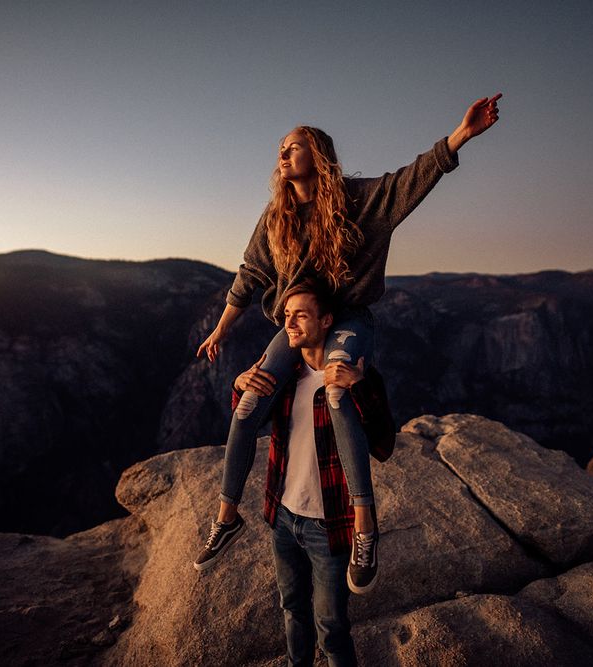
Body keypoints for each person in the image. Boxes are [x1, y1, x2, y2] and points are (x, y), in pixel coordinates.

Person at [196, 93, 502, 587]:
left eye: (294, 146)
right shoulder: (276, 217)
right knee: (249, 402)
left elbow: (410, 180)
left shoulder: (358, 200)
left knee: (337, 393)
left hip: (347, 320)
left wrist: (462, 134)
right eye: (281, 148)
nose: (283, 154)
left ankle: (364, 525)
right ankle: (227, 517)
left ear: (317, 155)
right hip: (298, 322)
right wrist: (221, 328)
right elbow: (251, 273)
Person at [200, 282, 395, 664]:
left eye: (300, 315)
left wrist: (358, 387)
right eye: (286, 315)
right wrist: (239, 385)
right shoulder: (284, 379)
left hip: (331, 527)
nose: (288, 323)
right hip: (284, 520)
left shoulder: (356, 375)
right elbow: (249, 420)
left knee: (331, 628)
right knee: (292, 610)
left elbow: (383, 446)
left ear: (327, 321)